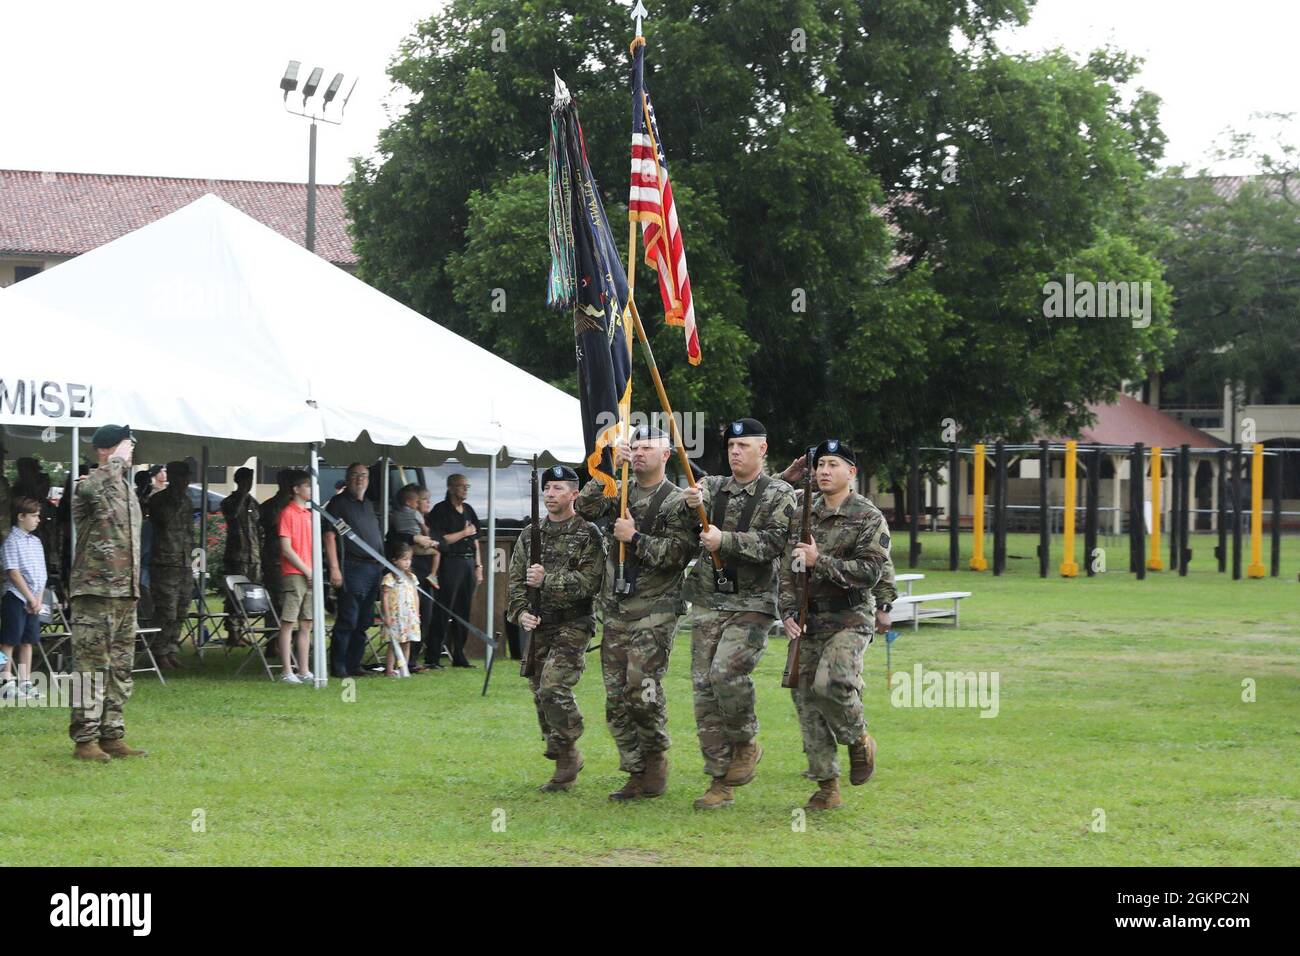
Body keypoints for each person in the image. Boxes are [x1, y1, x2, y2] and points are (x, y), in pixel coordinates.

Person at [678, 418, 795, 810]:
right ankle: (719, 780)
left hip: (753, 602)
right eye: (731, 446)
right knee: (703, 690)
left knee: (725, 672)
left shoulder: (780, 493)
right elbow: (681, 523)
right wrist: (689, 505)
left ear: (763, 449)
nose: (734, 452)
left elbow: (774, 543)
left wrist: (723, 539)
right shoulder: (711, 487)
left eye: (743, 445)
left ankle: (746, 741)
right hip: (710, 598)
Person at [575, 426, 695, 800]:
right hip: (616, 608)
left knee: (640, 686)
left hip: (655, 609)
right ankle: (635, 769)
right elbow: (583, 507)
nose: (639, 452)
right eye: (636, 446)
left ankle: (655, 754)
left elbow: (679, 554)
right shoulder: (620, 490)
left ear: (666, 455)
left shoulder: (678, 501)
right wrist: (610, 468)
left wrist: (635, 539)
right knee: (616, 697)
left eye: (648, 448)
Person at [777, 440, 892, 811]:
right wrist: (788, 610)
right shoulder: (801, 511)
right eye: (820, 465)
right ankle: (827, 785)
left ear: (851, 473)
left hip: (850, 616)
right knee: (805, 696)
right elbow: (786, 565)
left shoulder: (868, 516)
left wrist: (819, 560)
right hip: (809, 617)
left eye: (833, 465)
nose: (824, 471)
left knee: (831, 682)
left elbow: (870, 571)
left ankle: (858, 739)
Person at [506, 465, 605, 792]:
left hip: (574, 623)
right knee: (538, 692)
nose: (550, 493)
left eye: (558, 488)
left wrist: (548, 581)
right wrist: (521, 613)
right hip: (540, 624)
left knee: (552, 686)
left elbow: (591, 583)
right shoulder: (530, 533)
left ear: (574, 494)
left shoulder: (588, 534)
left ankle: (567, 746)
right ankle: (562, 750)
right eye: (547, 488)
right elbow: (516, 581)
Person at [68, 424, 147, 761]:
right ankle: (85, 740)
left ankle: (111, 733)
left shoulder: (127, 491)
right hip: (94, 590)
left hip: (125, 593)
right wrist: (114, 461)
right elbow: (95, 488)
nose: (130, 455)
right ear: (109, 449)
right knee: (91, 667)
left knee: (120, 668)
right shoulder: (88, 485)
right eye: (126, 449)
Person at [323, 462, 384, 678]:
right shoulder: (339, 504)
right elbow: (330, 536)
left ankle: (354, 664)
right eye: (356, 475)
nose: (360, 479)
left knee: (364, 621)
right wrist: (334, 568)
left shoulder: (368, 504)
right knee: (348, 619)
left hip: (372, 568)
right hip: (351, 567)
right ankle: (339, 666)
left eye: (364, 475)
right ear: (348, 479)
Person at [427, 473, 483, 668]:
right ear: (450, 487)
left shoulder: (468, 510)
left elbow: (475, 539)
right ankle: (433, 656)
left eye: (467, 486)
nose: (465, 489)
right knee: (444, 609)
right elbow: (441, 540)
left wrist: (479, 566)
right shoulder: (440, 510)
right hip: (450, 563)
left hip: (468, 563)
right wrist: (463, 533)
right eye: (461, 486)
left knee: (464, 610)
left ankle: (459, 655)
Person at [145, 459, 193, 668]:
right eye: (181, 476)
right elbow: (164, 521)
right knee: (166, 610)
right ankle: (159, 650)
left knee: (182, 609)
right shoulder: (159, 500)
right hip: (165, 563)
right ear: (172, 477)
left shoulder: (188, 501)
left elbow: (189, 531)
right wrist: (175, 497)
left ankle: (172, 647)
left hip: (184, 562)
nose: (185, 481)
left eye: (187, 476)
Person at [388, 484, 439, 672]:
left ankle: (412, 660)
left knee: (424, 618)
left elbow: (442, 546)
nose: (423, 503)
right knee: (410, 618)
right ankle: (400, 664)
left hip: (425, 577)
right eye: (421, 500)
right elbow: (396, 540)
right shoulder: (401, 521)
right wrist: (416, 539)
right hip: (409, 577)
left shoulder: (423, 521)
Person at [2, 497, 47, 700]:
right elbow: (13, 571)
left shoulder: (36, 542)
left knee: (28, 640)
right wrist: (28, 597)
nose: (38, 520)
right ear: (21, 517)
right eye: (34, 516)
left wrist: (37, 598)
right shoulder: (11, 540)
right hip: (16, 596)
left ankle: (25, 680)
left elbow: (42, 572)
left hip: (33, 599)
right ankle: (5, 680)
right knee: (9, 640)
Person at [276, 470, 315, 685]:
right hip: (294, 573)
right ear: (296, 489)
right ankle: (286, 670)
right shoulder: (287, 513)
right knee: (289, 622)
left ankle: (304, 669)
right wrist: (306, 570)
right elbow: (286, 548)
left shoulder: (309, 514)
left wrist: (313, 571)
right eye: (307, 486)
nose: (311, 490)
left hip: (309, 573)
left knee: (306, 623)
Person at [221, 467, 261, 646]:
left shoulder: (254, 503)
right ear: (239, 481)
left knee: (248, 595)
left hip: (253, 555)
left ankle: (241, 628)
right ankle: (232, 631)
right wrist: (242, 496)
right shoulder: (229, 501)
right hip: (237, 555)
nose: (248, 484)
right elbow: (232, 516)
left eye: (250, 480)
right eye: (245, 480)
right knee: (235, 594)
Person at [380, 540, 421, 678]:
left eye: (409, 559)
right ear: (395, 560)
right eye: (404, 559)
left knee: (407, 641)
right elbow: (384, 596)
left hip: (409, 615)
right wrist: (387, 615)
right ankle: (390, 669)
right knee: (394, 642)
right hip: (395, 616)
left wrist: (417, 612)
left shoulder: (412, 577)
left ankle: (403, 667)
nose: (407, 562)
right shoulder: (389, 578)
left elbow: (415, 594)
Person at [259, 469, 295, 625]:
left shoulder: (296, 505)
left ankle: (290, 639)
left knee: (293, 601)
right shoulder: (271, 505)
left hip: (295, 559)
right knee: (277, 600)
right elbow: (270, 523)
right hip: (276, 559)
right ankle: (273, 641)